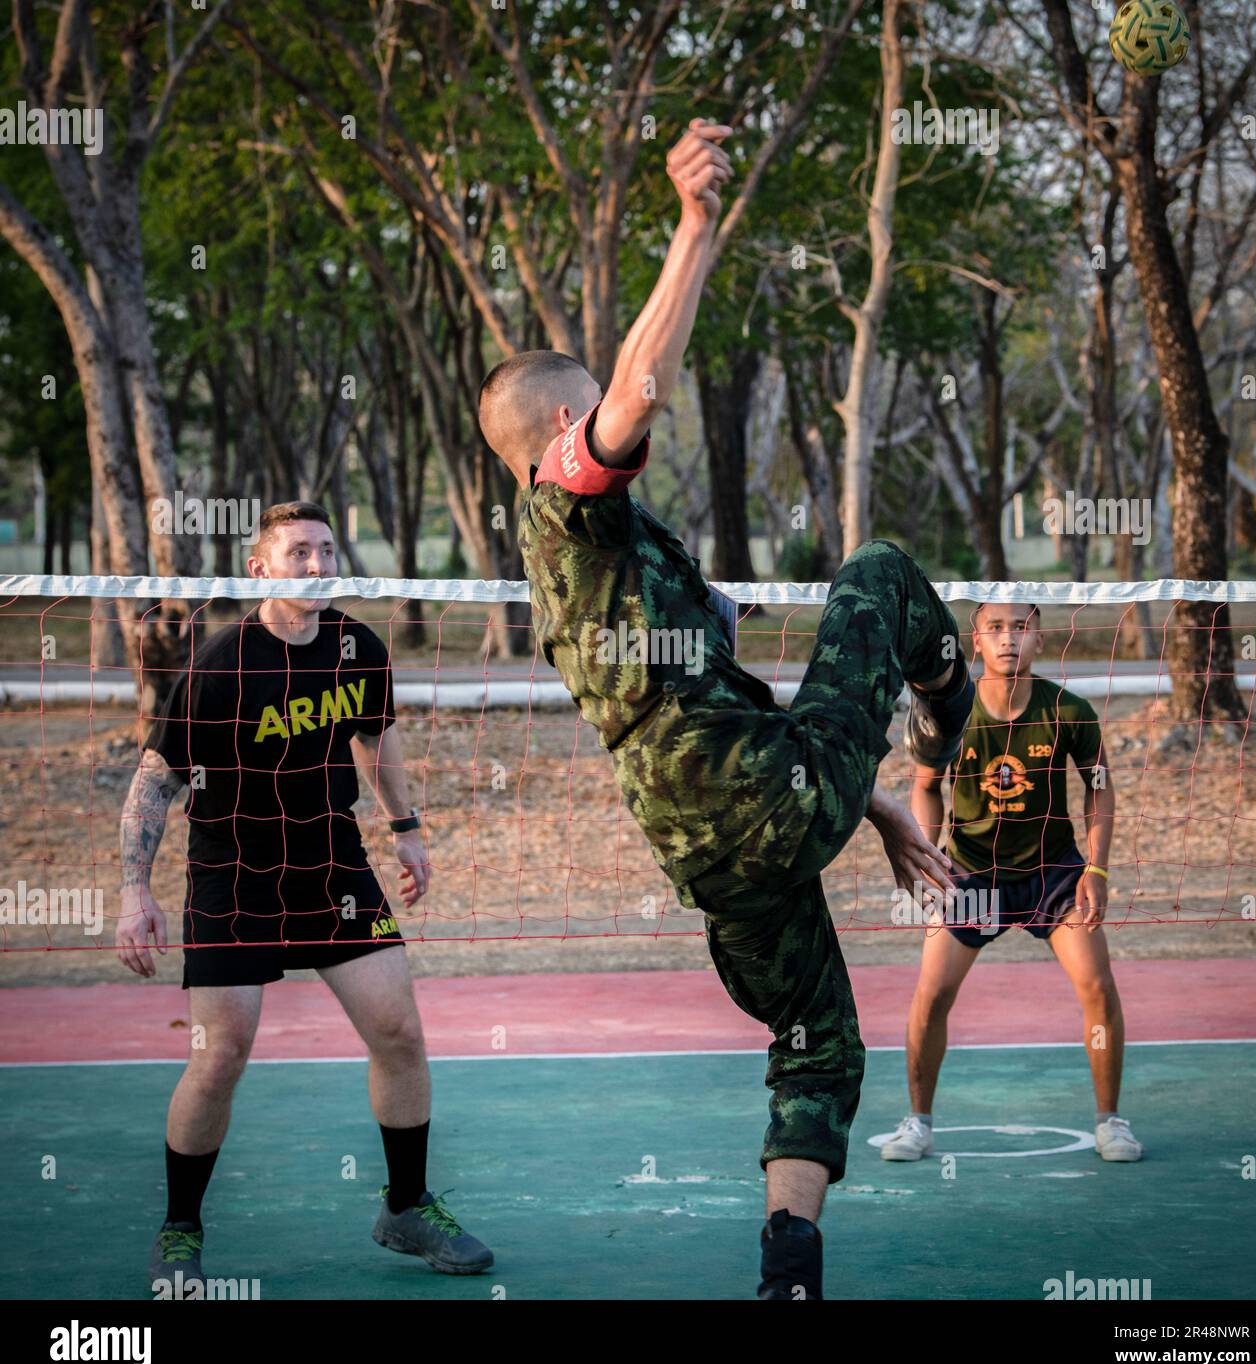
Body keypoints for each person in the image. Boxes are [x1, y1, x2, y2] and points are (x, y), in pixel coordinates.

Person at [476, 120, 972, 1298]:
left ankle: (787, 1269)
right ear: (560, 429)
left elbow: (709, 719)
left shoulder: (585, 567)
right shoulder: (566, 498)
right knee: (886, 573)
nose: (620, 422)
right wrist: (693, 230)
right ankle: (949, 732)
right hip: (758, 792)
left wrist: (866, 813)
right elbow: (640, 386)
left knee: (813, 1043)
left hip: (710, 837)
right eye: (593, 411)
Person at [116, 501, 492, 1295]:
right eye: (298, 553)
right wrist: (132, 891)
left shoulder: (357, 647)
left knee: (399, 1031)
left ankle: (407, 1207)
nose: (318, 565)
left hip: (332, 869)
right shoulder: (220, 665)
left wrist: (407, 826)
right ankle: (180, 1227)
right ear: (260, 569)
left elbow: (376, 733)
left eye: (326, 550)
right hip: (234, 876)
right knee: (221, 1054)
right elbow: (155, 784)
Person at [880, 601, 1142, 1164]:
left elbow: (1100, 788)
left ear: (1039, 638)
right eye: (995, 629)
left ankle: (1110, 1122)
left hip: (1054, 875)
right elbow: (926, 788)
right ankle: (918, 1122)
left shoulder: (1068, 711)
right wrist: (928, 858)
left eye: (1020, 627)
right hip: (973, 876)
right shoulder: (952, 713)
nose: (1008, 640)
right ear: (975, 642)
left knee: (1097, 986)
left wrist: (1096, 868)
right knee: (931, 996)